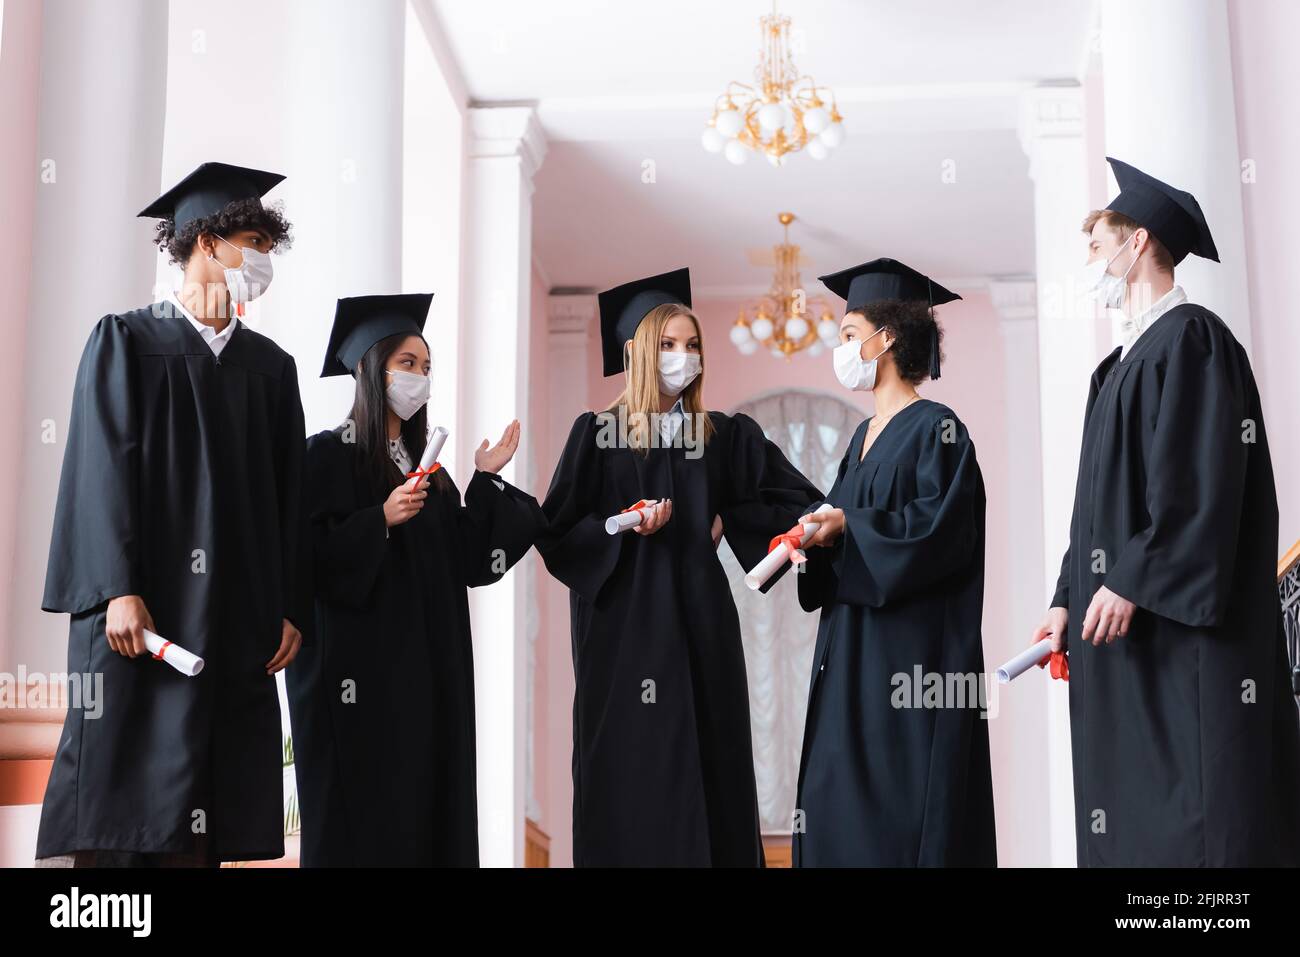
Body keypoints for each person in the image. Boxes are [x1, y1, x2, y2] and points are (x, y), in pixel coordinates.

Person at [37, 162, 310, 867]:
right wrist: (114, 587)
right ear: (207, 242)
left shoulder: (269, 369)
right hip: (143, 619)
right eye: (253, 241)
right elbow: (98, 473)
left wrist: (287, 605)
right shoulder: (126, 341)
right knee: (125, 806)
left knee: (203, 816)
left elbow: (289, 499)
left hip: (229, 620)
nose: (263, 261)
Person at [1035, 157, 1300, 866]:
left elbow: (1201, 484)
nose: (1090, 263)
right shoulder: (1117, 365)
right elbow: (1092, 507)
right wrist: (1068, 595)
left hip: (1178, 645)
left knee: (1196, 820)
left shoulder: (1192, 340)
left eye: (1096, 246)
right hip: (1123, 640)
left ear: (1139, 241)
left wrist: (1131, 578)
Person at [536, 267, 822, 866]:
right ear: (636, 352)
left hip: (701, 629)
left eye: (692, 345)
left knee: (711, 769)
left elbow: (795, 501)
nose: (682, 357)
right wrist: (621, 524)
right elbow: (557, 534)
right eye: (668, 344)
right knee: (632, 781)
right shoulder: (598, 435)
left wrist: (732, 522)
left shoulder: (721, 437)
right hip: (624, 638)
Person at [285, 293, 544, 866]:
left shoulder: (431, 471)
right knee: (367, 823)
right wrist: (378, 519)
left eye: (426, 367)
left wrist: (484, 479)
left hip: (432, 679)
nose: (420, 378)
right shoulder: (325, 457)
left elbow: (474, 562)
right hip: (360, 684)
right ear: (371, 371)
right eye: (408, 364)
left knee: (433, 813)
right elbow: (303, 561)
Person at [792, 258, 996, 867]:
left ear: (887, 339)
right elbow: (840, 536)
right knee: (832, 807)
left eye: (849, 334)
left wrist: (850, 525)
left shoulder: (939, 430)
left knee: (895, 822)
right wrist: (814, 538)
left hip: (906, 666)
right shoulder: (860, 440)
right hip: (846, 657)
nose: (841, 346)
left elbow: (943, 535)